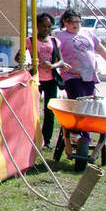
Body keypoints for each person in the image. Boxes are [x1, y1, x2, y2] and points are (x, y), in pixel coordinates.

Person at [53, 9, 106, 160]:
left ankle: (84, 135)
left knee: (90, 106)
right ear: (65, 22)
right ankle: (80, 135)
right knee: (80, 103)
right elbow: (55, 53)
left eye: (77, 22)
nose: (75, 25)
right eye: (71, 22)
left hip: (89, 76)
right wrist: (59, 64)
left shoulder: (88, 33)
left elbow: (99, 48)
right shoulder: (60, 37)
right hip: (71, 76)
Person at [33, 13, 62, 156]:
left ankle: (47, 139)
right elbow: (19, 56)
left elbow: (60, 60)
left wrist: (53, 65)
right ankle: (34, 138)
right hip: (36, 79)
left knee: (49, 111)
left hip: (51, 79)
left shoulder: (54, 41)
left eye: (49, 26)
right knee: (34, 110)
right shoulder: (30, 41)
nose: (46, 29)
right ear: (37, 26)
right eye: (44, 26)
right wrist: (32, 62)